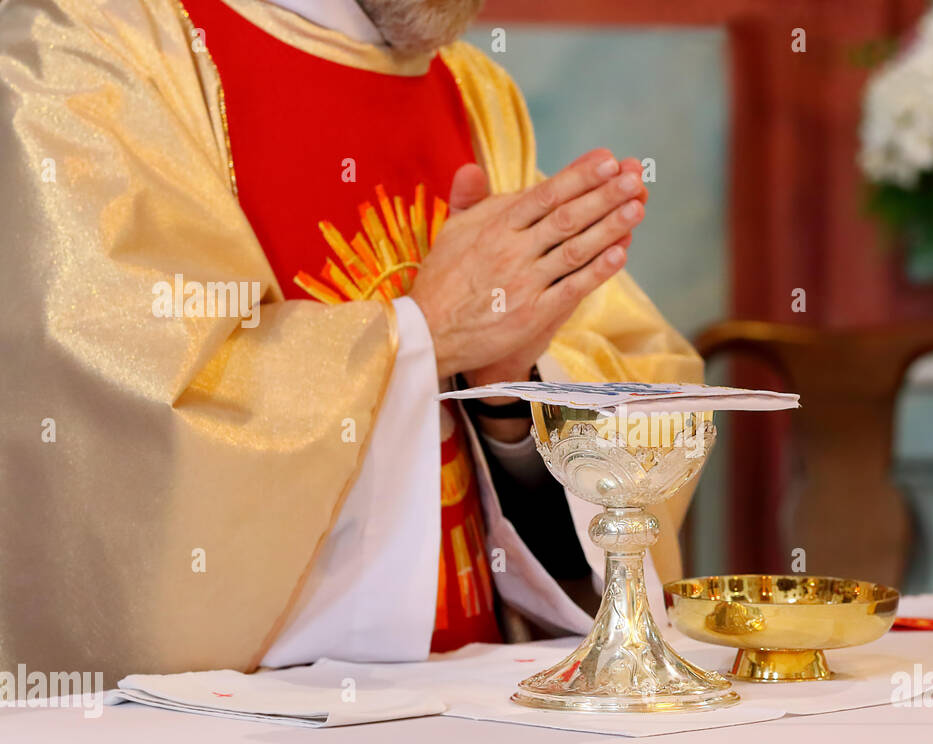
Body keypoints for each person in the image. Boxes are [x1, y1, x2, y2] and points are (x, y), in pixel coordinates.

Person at [0, 0, 702, 683]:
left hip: (482, 708)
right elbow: (120, 417)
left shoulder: (472, 89)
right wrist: (421, 333)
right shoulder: (91, 48)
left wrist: (512, 388)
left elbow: (636, 370)